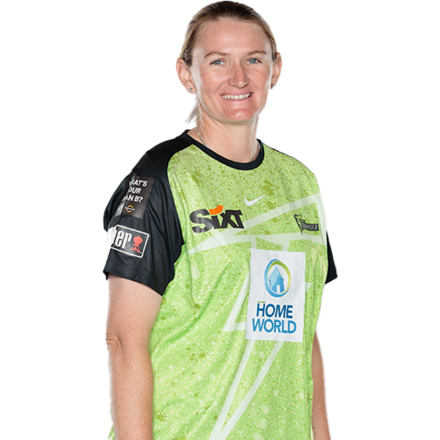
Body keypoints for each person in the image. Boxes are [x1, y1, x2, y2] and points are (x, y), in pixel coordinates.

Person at [102, 1, 338, 439]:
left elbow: (305, 334)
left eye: (253, 60)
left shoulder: (301, 183)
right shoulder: (161, 177)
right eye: (218, 61)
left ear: (276, 69)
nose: (238, 78)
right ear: (186, 73)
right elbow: (123, 338)